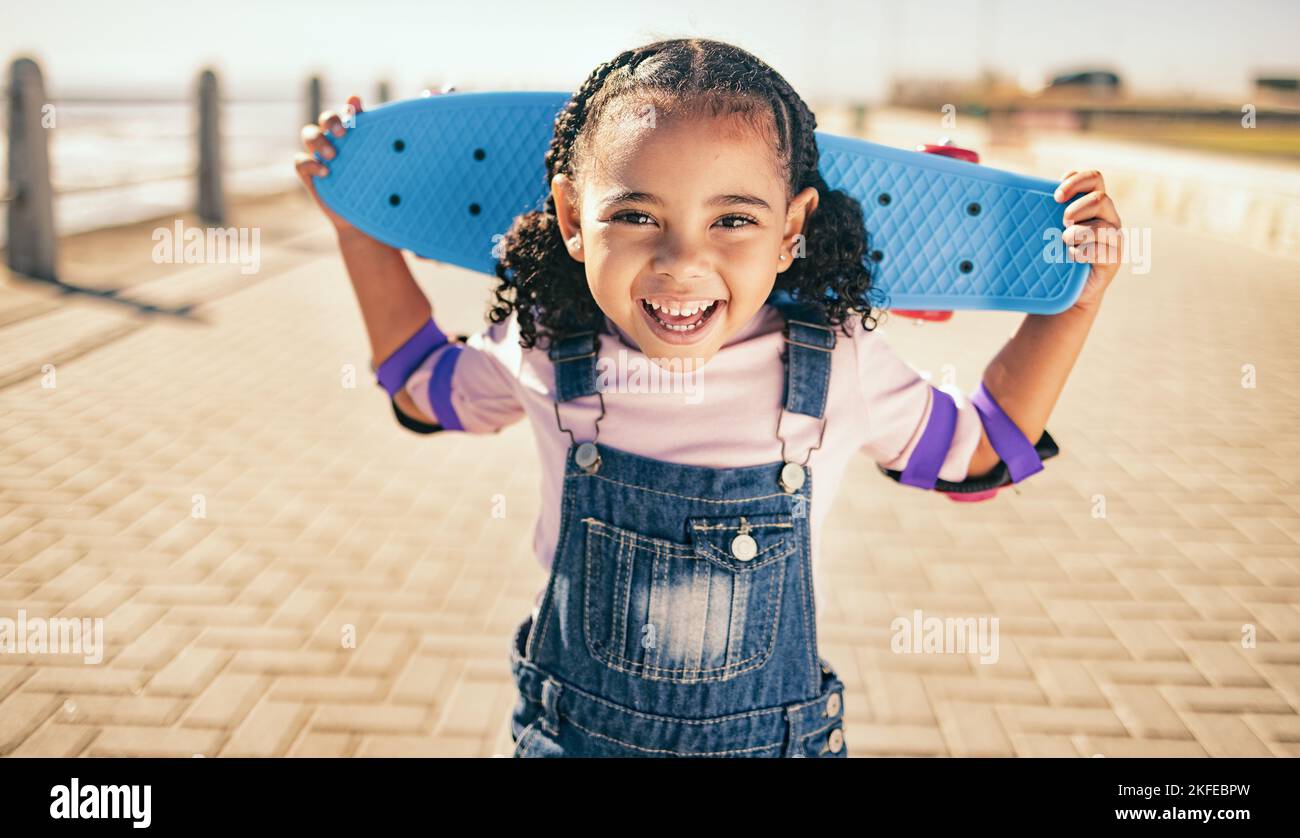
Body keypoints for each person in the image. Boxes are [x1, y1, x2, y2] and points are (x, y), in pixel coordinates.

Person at [294, 38, 1123, 757]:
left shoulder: (837, 360)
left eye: (733, 220)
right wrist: (360, 221)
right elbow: (421, 387)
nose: (681, 262)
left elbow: (979, 452)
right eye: (635, 215)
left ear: (793, 228)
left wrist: (1074, 307)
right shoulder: (547, 340)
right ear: (572, 218)